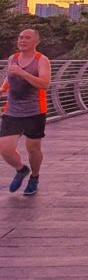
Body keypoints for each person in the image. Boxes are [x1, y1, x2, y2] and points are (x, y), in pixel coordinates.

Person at [0, 29, 52, 196]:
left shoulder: (41, 60)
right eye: (20, 37)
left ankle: (34, 177)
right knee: (4, 148)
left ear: (36, 41)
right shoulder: (13, 59)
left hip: (34, 111)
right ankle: (21, 169)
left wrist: (23, 73)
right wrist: (2, 88)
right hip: (13, 110)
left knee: (33, 149)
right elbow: (10, 75)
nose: (22, 40)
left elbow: (44, 83)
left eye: (27, 38)